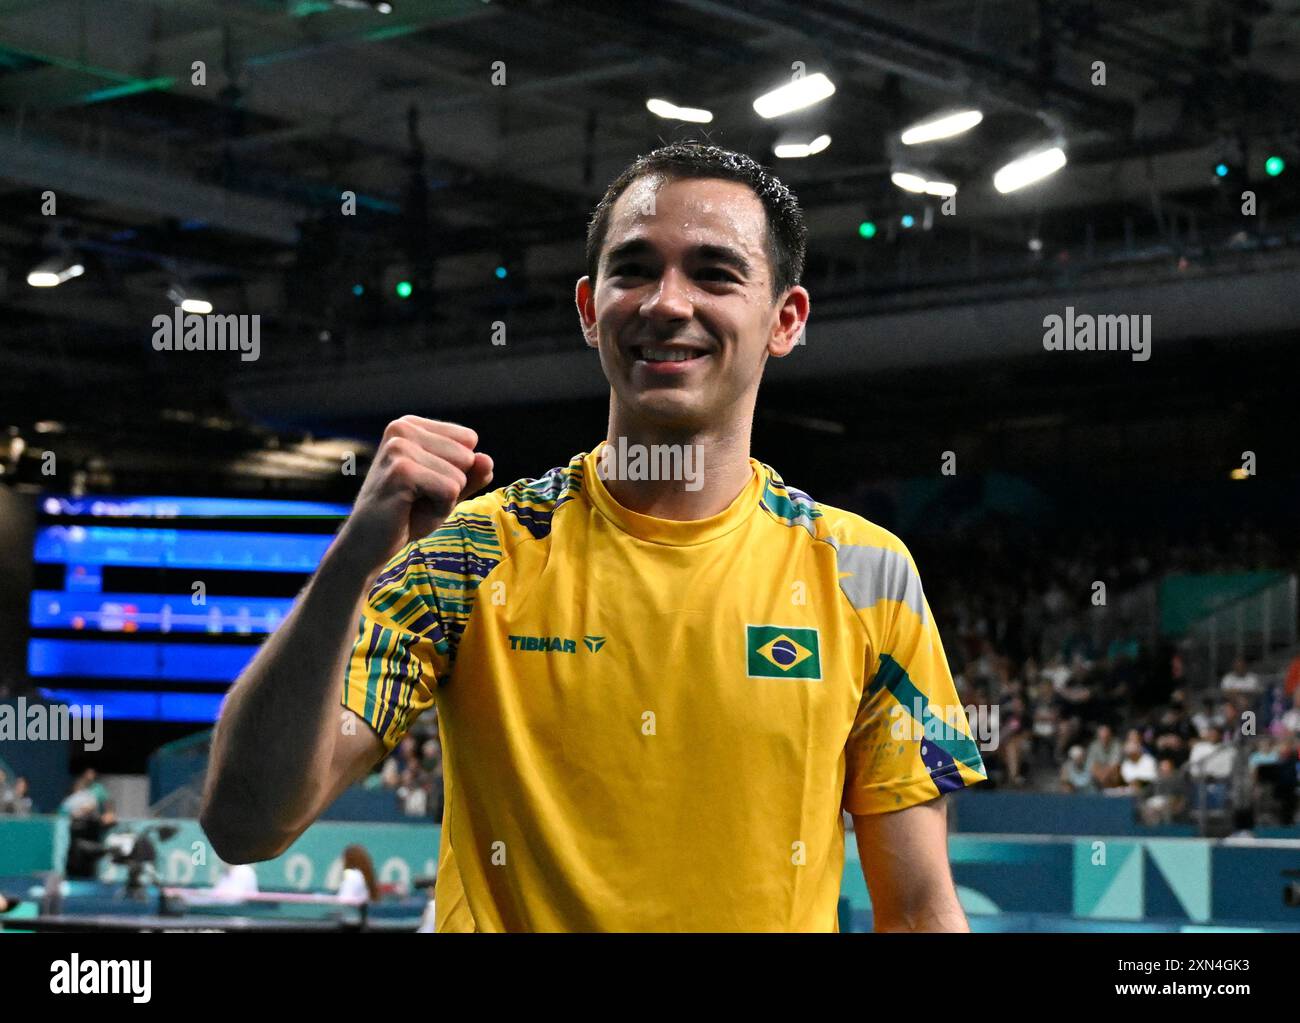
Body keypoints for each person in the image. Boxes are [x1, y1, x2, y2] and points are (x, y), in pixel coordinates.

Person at [201, 141, 987, 932]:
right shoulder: (471, 554)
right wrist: (349, 567)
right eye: (635, 268)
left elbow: (919, 908)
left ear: (785, 319)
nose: (666, 303)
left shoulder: (867, 573)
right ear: (588, 307)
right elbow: (245, 823)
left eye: (714, 273)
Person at [1085, 724, 1123, 789]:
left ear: (1110, 736)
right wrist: (1101, 775)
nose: (1104, 739)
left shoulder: (1117, 745)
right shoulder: (1094, 746)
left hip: (1112, 776)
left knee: (1116, 770)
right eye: (1102, 737)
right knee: (1090, 774)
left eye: (1106, 736)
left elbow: (1115, 764)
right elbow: (1090, 765)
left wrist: (1104, 775)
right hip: (1098, 777)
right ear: (1098, 736)